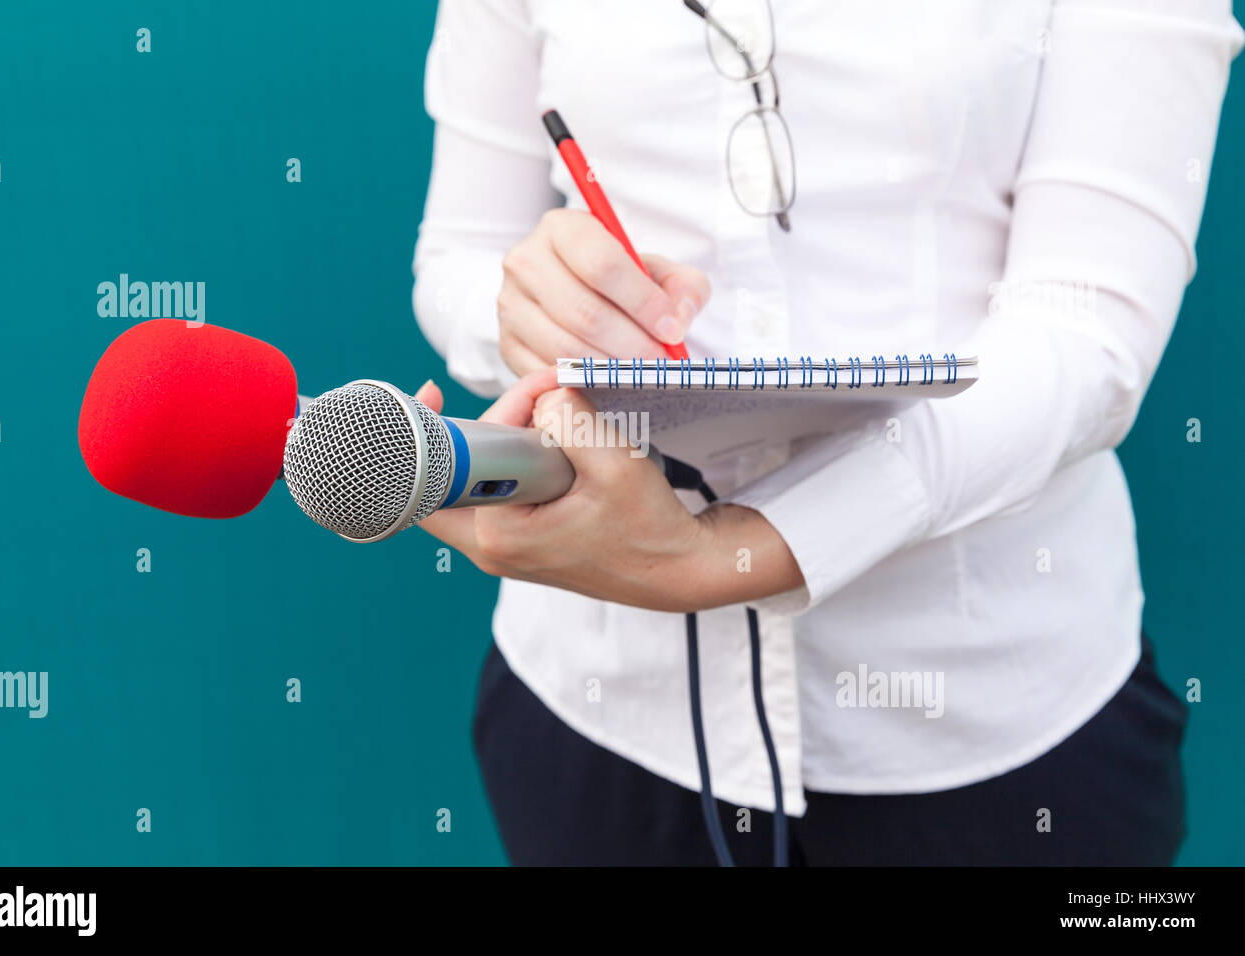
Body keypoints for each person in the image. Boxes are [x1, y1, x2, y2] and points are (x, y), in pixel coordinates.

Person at [409, 0, 1242, 865]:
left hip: (996, 723)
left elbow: (1088, 334)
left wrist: (743, 552)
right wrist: (524, 315)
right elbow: (457, 257)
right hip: (600, 706)